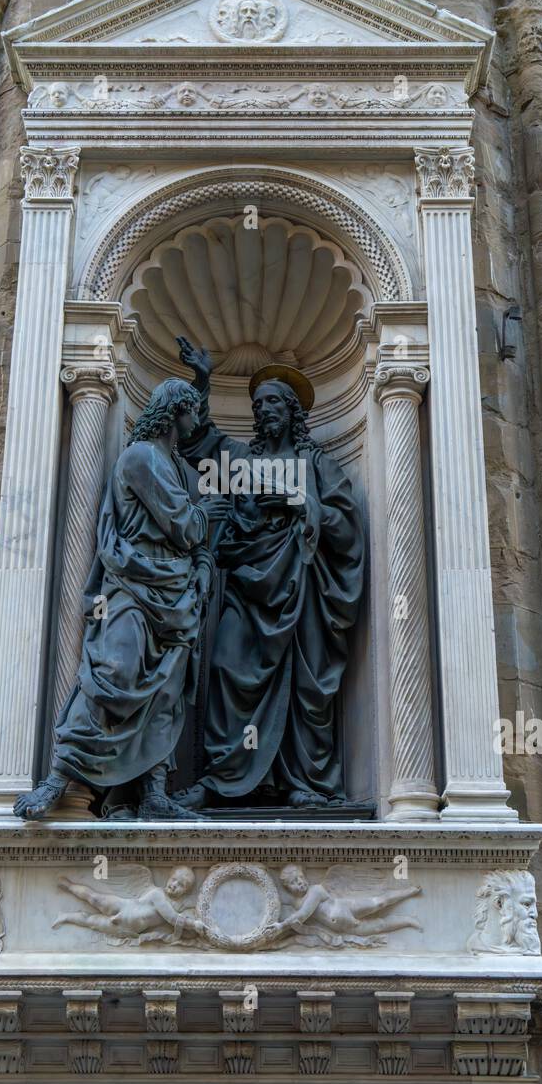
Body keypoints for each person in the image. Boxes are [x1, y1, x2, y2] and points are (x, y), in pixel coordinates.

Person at [13, 379, 216, 821]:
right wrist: (206, 515)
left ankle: (154, 794)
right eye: (193, 408)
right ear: (175, 411)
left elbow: (195, 544)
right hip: (133, 584)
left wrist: (200, 568)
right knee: (113, 673)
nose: (198, 417)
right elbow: (186, 525)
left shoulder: (177, 466)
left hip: (176, 593)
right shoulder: (142, 457)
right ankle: (59, 778)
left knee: (165, 693)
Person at [174, 337, 364, 810]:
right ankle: (223, 778)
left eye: (275, 402)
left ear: (294, 411)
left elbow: (346, 527)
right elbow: (197, 443)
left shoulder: (317, 465)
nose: (265, 410)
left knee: (304, 685)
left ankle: (303, 781)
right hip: (246, 585)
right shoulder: (244, 462)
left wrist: (302, 503)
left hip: (300, 588)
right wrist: (202, 381)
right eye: (259, 404)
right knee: (224, 668)